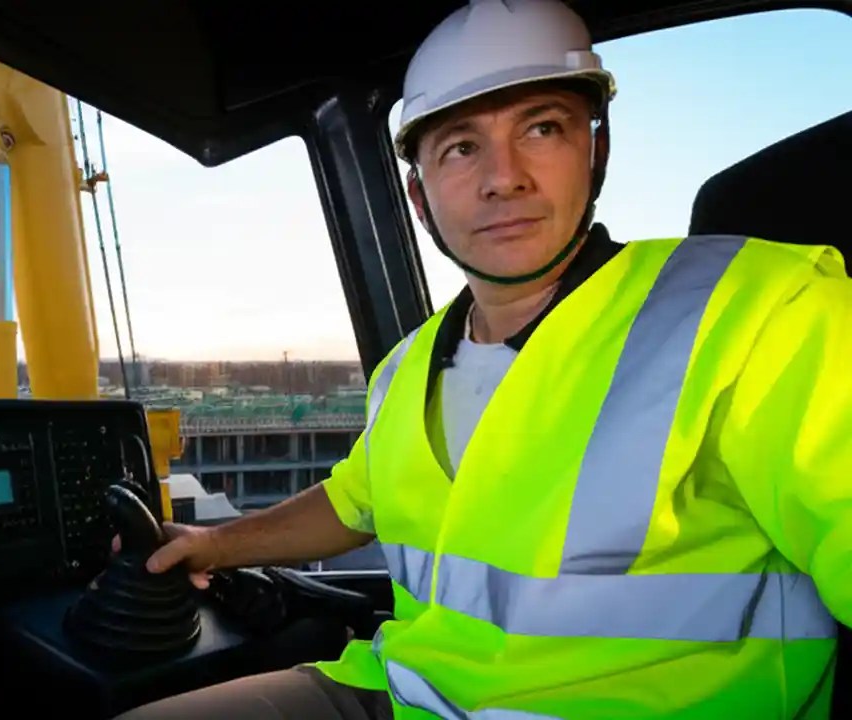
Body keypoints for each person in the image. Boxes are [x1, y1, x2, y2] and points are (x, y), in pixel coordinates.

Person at [114, 0, 852, 717]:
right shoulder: (407, 366)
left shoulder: (760, 310)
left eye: (541, 128)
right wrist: (213, 542)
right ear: (419, 193)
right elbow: (354, 501)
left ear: (595, 151)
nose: (505, 178)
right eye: (462, 147)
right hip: (404, 690)